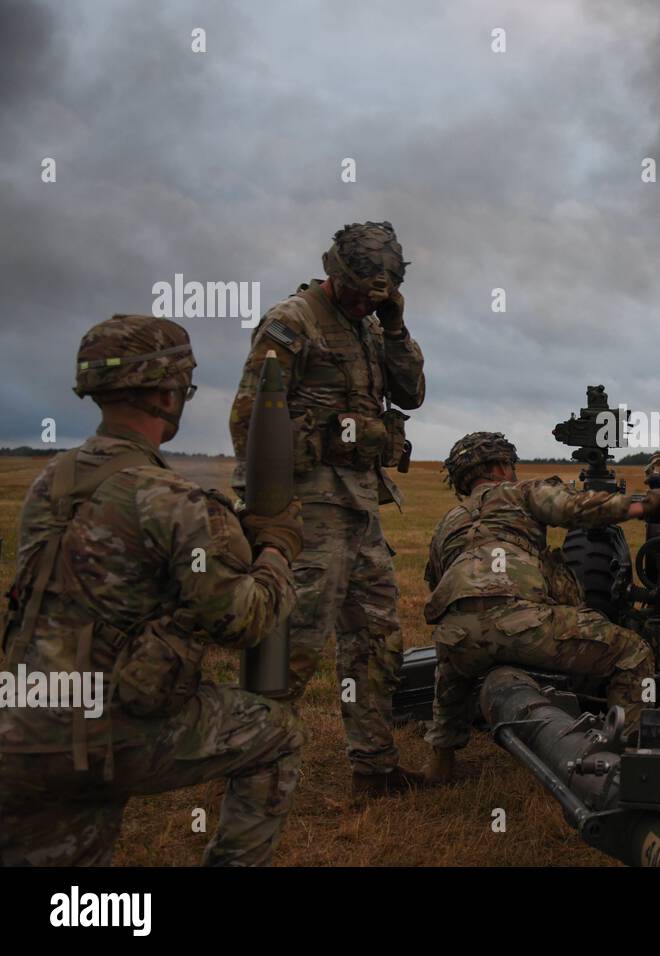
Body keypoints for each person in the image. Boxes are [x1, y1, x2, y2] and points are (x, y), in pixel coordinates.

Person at [0, 314, 304, 865]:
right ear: (171, 391)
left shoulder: (51, 480)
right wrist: (279, 549)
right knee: (277, 733)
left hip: (20, 724)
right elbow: (242, 620)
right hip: (104, 731)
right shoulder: (172, 496)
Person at [229, 222, 427, 799]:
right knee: (292, 646)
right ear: (335, 274)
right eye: (364, 291)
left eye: (381, 294)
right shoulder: (292, 322)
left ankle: (374, 767)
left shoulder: (370, 326)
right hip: (305, 511)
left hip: (359, 508)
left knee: (377, 639)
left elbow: (412, 393)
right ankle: (255, 776)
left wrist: (393, 327)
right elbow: (249, 424)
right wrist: (343, 438)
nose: (370, 300)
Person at [422, 432, 660, 783]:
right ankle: (624, 764)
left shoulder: (447, 523)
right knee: (631, 653)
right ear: (498, 466)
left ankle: (441, 763)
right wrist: (643, 505)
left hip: (457, 638)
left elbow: (435, 583)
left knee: (451, 668)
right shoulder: (520, 493)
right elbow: (577, 509)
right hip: (522, 623)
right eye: (510, 465)